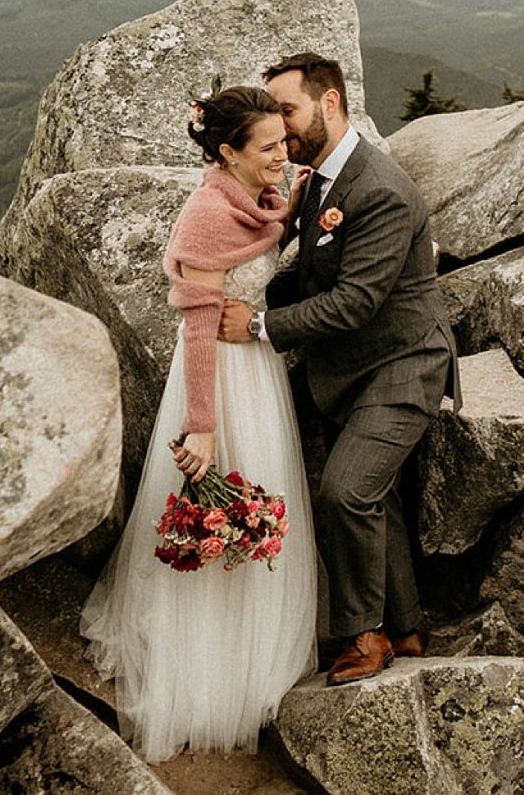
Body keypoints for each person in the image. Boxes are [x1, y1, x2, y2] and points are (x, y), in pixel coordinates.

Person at [80, 86, 320, 762]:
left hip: (260, 374)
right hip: (218, 383)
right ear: (226, 152)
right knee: (224, 514)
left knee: (263, 507)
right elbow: (196, 332)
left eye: (283, 142)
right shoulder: (205, 220)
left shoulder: (258, 200)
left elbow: (275, 213)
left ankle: (257, 652)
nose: (283, 155)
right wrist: (203, 427)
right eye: (268, 146)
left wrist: (301, 191)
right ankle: (212, 678)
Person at [219, 52, 461, 685]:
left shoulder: (379, 188)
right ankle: (406, 628)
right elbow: (310, 273)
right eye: (272, 115)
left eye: (289, 110)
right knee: (364, 489)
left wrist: (257, 327)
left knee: (347, 490)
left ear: (330, 104)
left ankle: (365, 635)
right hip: (350, 367)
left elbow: (354, 303)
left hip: (403, 366)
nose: (281, 127)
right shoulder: (320, 180)